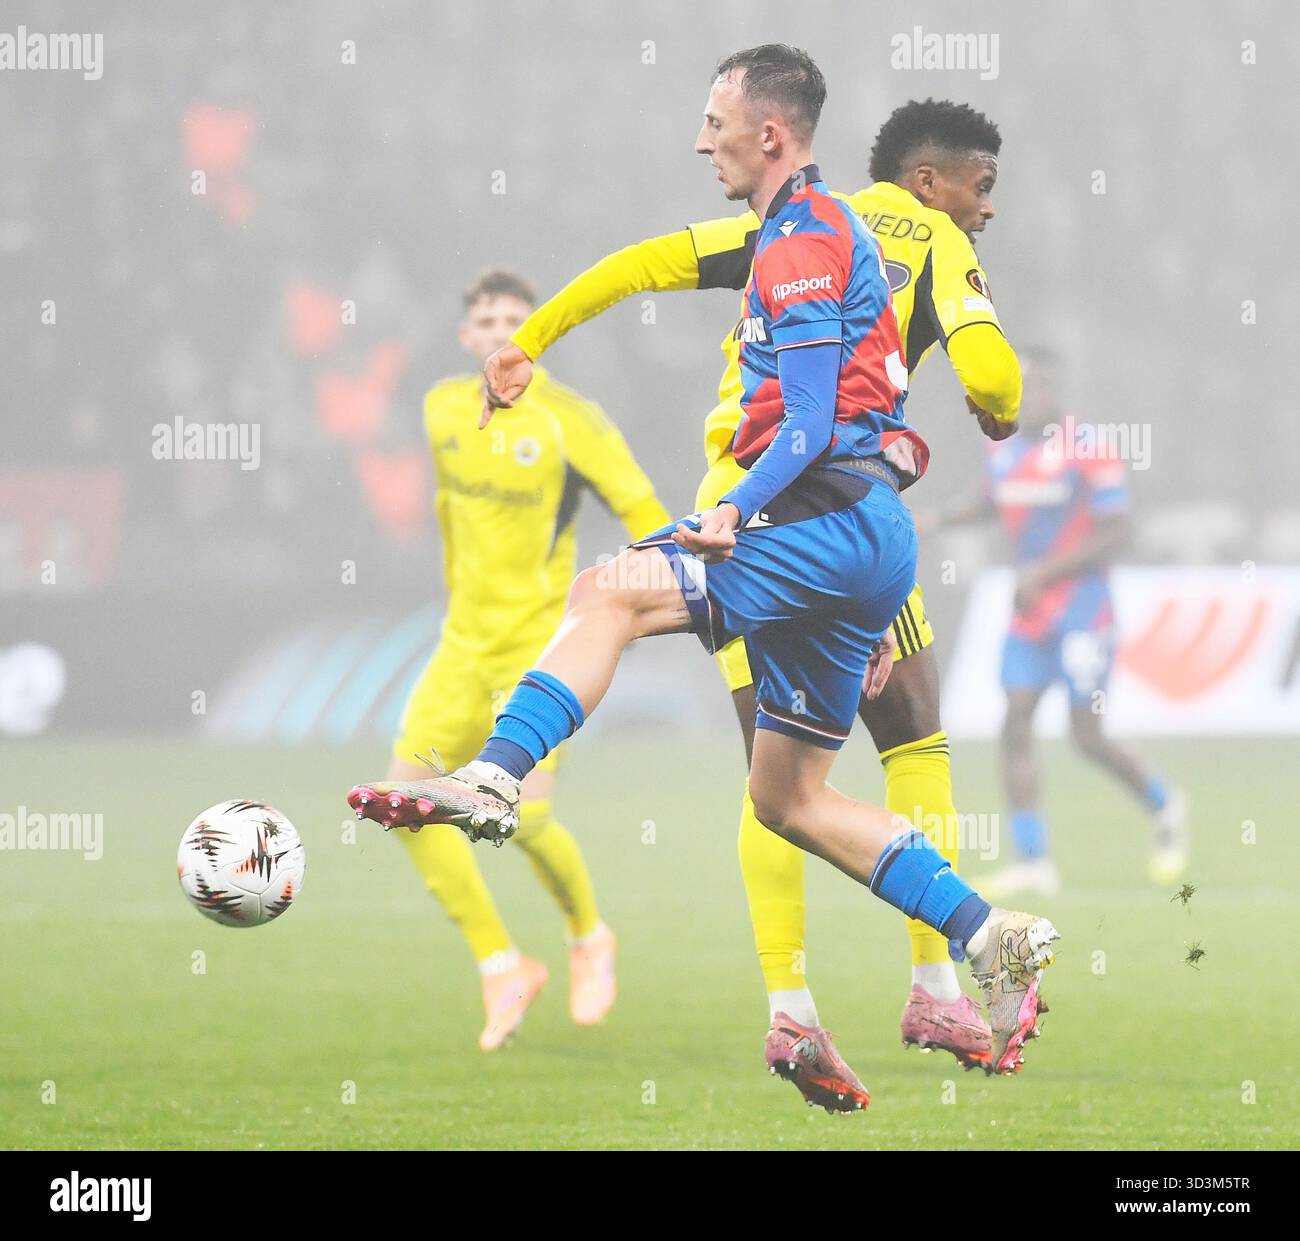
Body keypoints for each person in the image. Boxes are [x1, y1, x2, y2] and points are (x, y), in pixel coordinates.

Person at [350, 46, 1058, 1098]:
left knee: (609, 593)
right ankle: (987, 934)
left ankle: (495, 777)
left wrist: (734, 504)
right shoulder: (806, 232)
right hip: (858, 533)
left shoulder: (807, 237)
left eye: (714, 122)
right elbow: (952, 383)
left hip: (811, 512)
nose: (700, 141)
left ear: (769, 134)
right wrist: (530, 343)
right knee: (789, 796)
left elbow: (806, 420)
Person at [390, 268, 670, 1050]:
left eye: (517, 320)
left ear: (536, 336)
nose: (500, 332)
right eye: (487, 320)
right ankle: (502, 963)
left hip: (538, 648)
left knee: (525, 818)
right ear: (465, 336)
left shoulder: (570, 421)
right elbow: (449, 514)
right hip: (461, 647)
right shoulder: (441, 409)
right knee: (405, 805)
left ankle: (588, 934)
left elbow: (642, 508)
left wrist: (660, 592)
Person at [925, 347, 1189, 895]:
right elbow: (989, 501)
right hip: (1030, 615)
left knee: (1085, 735)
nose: (1034, 395)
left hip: (1085, 614)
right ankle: (1032, 859)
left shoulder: (1087, 447)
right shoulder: (1002, 448)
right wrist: (936, 519)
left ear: (1056, 389)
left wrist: (1042, 573)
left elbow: (1118, 530)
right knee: (1015, 722)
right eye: (1025, 385)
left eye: (1042, 384)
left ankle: (1164, 802)